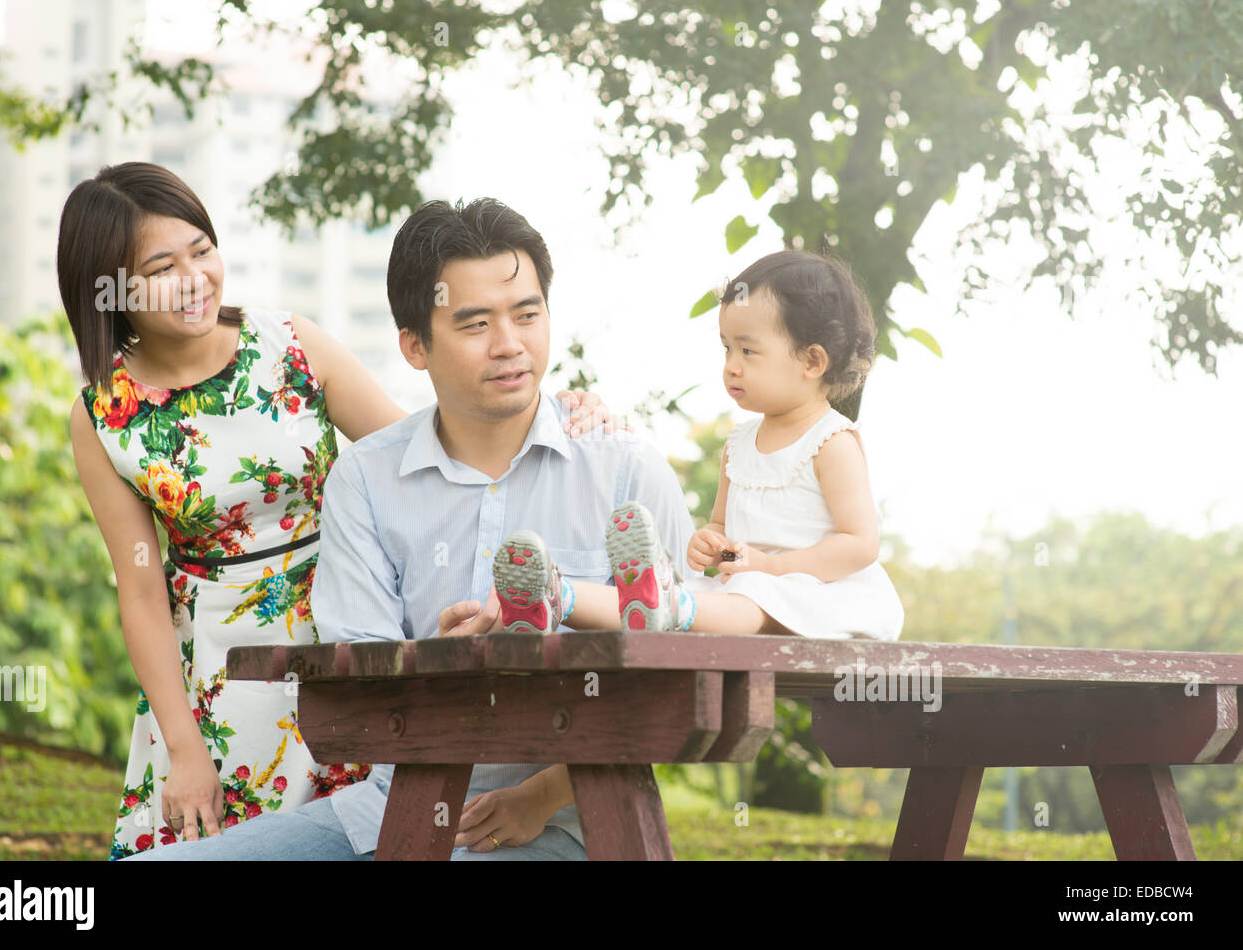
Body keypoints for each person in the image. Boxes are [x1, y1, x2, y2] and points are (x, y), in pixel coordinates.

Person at [61, 163, 612, 859]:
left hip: (350, 629)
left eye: (202, 250)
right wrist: (183, 744)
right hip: (220, 672)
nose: (194, 278)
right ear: (107, 285)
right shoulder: (104, 415)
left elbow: (424, 451)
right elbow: (140, 589)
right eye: (161, 266)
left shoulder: (288, 344)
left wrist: (553, 412)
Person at [488, 250, 905, 640]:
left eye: (748, 350)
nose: (731, 366)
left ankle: (670, 605)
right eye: (727, 348)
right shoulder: (739, 444)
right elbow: (722, 526)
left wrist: (773, 568)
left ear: (812, 362)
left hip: (824, 596)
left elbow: (859, 544)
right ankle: (558, 596)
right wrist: (710, 542)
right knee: (680, 599)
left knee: (736, 602)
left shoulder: (831, 442)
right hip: (748, 587)